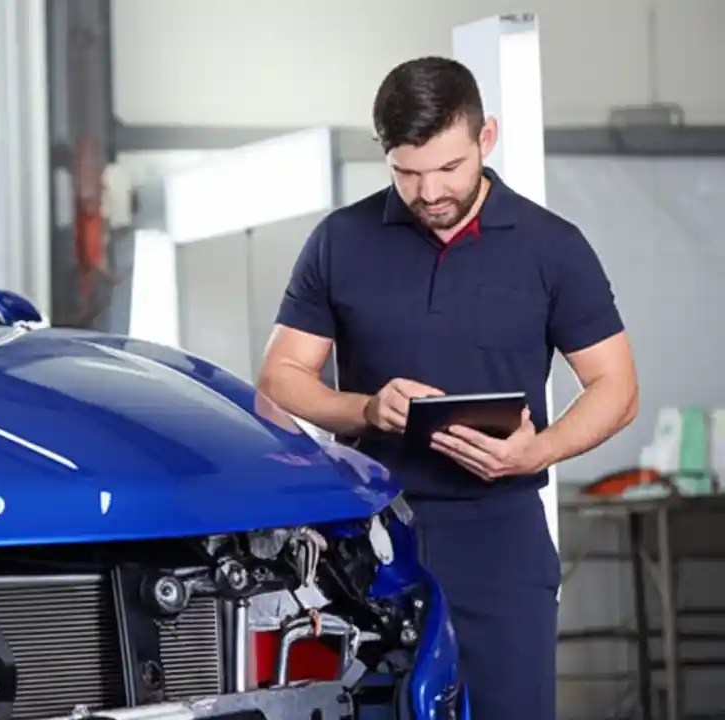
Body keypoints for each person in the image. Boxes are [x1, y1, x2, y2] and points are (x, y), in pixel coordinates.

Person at [257, 56, 638, 719]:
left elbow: (616, 387)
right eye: (407, 172)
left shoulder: (553, 249)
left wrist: (537, 451)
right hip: (366, 536)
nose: (430, 191)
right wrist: (364, 407)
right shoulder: (339, 241)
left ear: (486, 138)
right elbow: (281, 375)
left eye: (448, 169)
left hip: (500, 536)